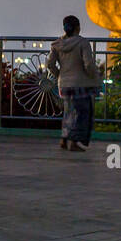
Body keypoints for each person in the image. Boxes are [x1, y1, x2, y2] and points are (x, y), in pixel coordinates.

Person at [45, 15, 100, 152]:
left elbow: (50, 64)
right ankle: (74, 141)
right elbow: (88, 64)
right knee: (82, 113)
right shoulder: (83, 43)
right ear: (78, 28)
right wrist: (94, 76)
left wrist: (59, 75)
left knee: (68, 112)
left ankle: (64, 138)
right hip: (81, 84)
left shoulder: (57, 44)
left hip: (64, 84)